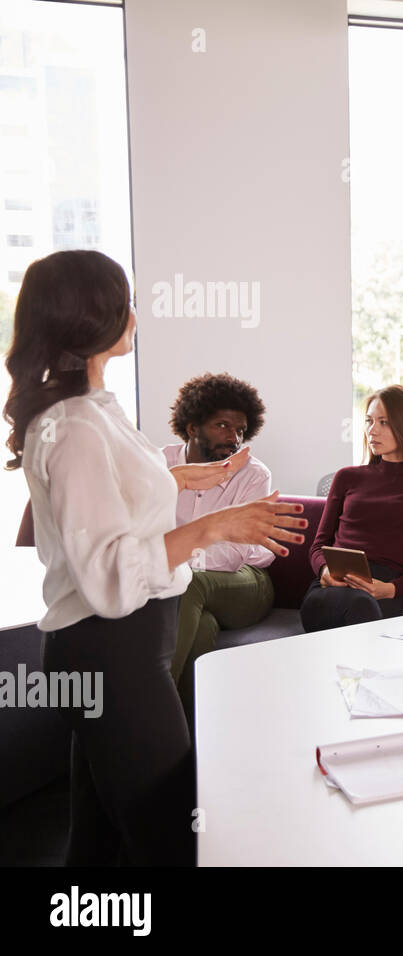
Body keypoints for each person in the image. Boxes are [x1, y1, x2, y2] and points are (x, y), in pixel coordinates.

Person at [3, 250, 305, 865]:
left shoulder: (91, 414)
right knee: (170, 832)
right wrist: (215, 525)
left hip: (109, 645)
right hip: (115, 648)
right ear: (94, 317)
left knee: (98, 837)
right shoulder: (79, 426)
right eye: (126, 299)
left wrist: (180, 482)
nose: (136, 314)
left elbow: (114, 506)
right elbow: (110, 572)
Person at [163, 372, 275, 727]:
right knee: (201, 627)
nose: (234, 438)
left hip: (248, 583)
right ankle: (189, 739)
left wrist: (175, 553)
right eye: (222, 425)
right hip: (184, 588)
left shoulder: (254, 475)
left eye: (241, 430)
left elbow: (232, 556)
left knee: (190, 582)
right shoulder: (159, 464)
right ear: (192, 426)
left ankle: (151, 706)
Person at [302, 384, 403, 632]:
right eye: (369, 421)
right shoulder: (347, 477)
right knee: (356, 605)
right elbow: (318, 545)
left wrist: (390, 589)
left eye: (384, 422)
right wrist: (325, 570)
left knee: (365, 606)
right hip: (332, 588)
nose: (372, 431)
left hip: (386, 591)